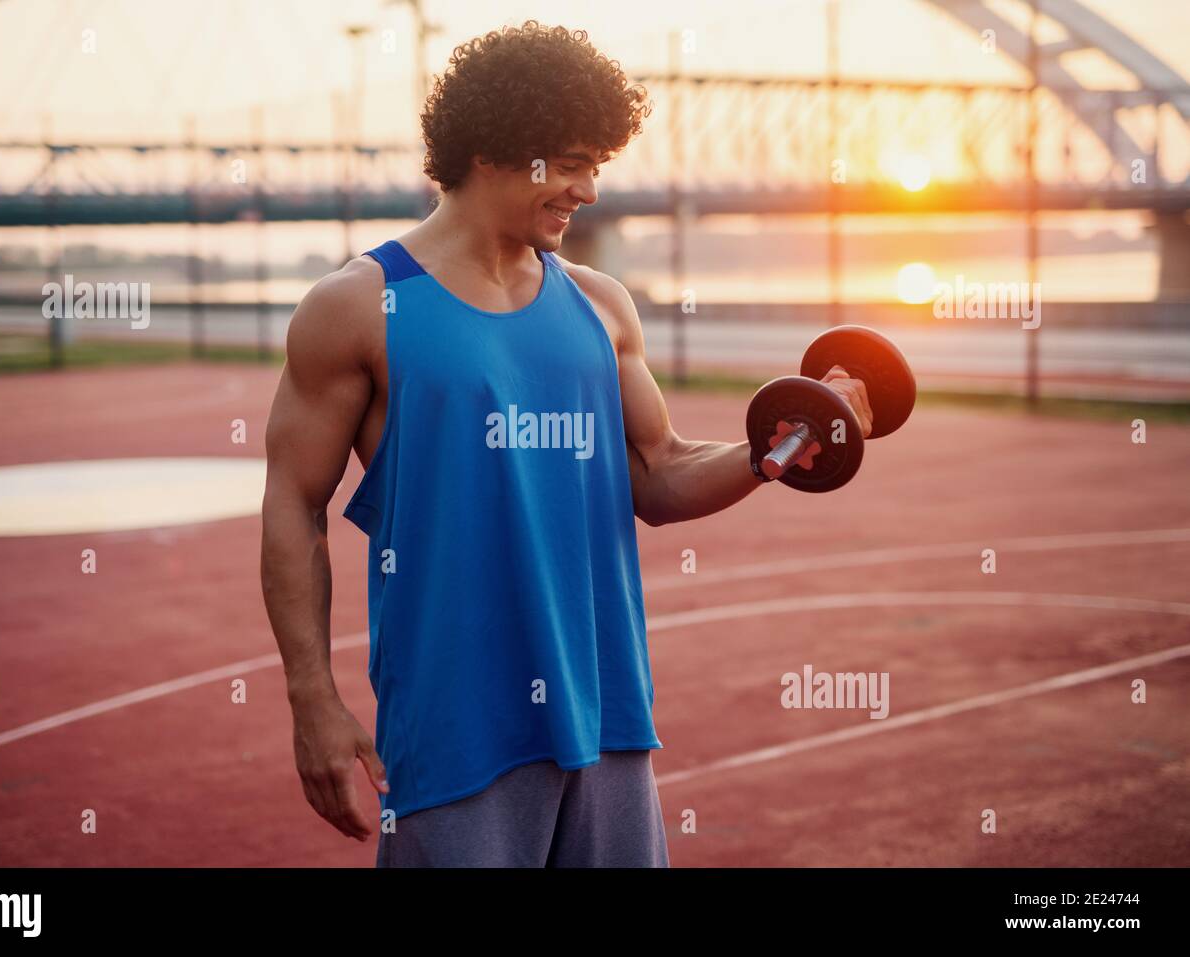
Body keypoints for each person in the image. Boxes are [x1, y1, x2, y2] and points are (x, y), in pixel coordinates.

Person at [260, 20, 873, 867]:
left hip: (608, 715)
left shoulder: (599, 303)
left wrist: (787, 442)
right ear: (493, 150)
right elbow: (293, 505)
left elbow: (658, 474)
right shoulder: (360, 306)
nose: (588, 189)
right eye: (574, 162)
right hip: (456, 731)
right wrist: (311, 697)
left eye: (598, 165)